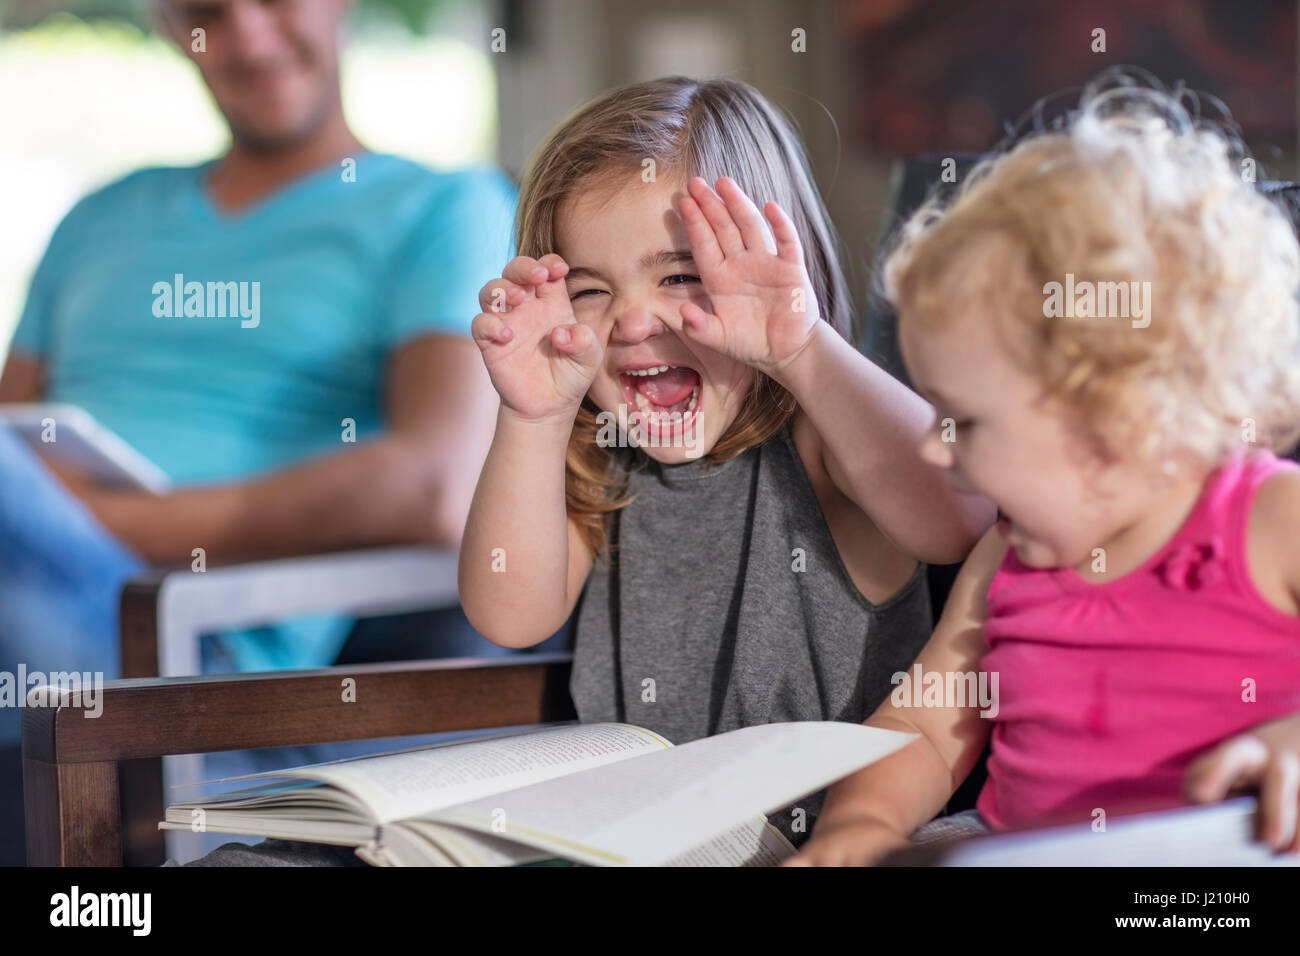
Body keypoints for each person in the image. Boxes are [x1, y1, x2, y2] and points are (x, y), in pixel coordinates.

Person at [175, 74, 993, 866]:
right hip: (632, 829)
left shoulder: (822, 433)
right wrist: (534, 415)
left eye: (681, 276)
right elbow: (509, 614)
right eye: (593, 291)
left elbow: (958, 515)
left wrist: (801, 348)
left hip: (839, 835)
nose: (634, 320)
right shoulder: (599, 449)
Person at [0, 0, 515, 863]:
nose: (248, 37)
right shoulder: (101, 216)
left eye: (276, 0)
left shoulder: (444, 208)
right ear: (172, 27)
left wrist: (100, 520)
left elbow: (438, 486)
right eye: (208, 12)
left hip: (192, 635)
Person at [788, 74, 1300, 865]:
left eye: (967, 421)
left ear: (1117, 413)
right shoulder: (1007, 554)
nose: (933, 444)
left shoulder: (1271, 521)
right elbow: (924, 727)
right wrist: (860, 830)